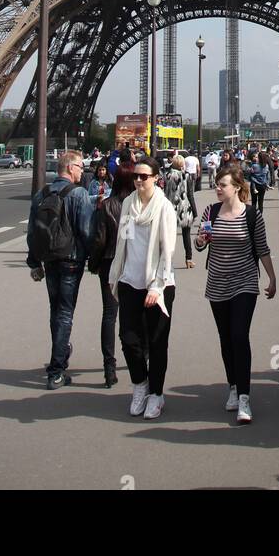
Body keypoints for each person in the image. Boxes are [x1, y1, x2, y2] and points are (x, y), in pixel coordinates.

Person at [195, 164, 276, 424]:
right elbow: (200, 243)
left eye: (223, 185)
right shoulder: (211, 211)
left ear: (237, 188)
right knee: (226, 338)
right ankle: (232, 386)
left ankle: (244, 397)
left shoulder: (252, 215)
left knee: (239, 335)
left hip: (245, 281)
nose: (218, 188)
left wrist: (272, 277)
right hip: (217, 281)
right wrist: (200, 241)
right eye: (217, 185)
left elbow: (262, 248)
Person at [108, 157, 177, 419]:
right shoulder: (128, 204)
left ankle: (156, 394)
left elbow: (167, 252)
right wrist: (117, 272)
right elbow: (123, 242)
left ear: (156, 179)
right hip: (129, 281)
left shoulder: (165, 209)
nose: (138, 180)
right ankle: (140, 385)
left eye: (143, 176)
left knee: (158, 344)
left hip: (157, 285)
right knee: (128, 339)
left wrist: (157, 286)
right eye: (136, 176)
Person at [26, 150, 95, 389]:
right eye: (81, 167)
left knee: (55, 310)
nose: (83, 171)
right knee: (65, 313)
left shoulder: (41, 195)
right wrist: (94, 261)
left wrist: (34, 262)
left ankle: (60, 352)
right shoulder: (79, 194)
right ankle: (56, 370)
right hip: (71, 261)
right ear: (70, 168)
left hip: (49, 260)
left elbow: (32, 233)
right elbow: (87, 232)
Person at [88, 163, 136, 387]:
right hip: (131, 265)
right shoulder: (136, 206)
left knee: (109, 315)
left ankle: (109, 368)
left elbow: (99, 239)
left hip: (108, 264)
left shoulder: (106, 206)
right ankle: (140, 355)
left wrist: (94, 264)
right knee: (134, 314)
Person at [164, 153, 198, 268]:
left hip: (170, 207)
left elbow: (165, 192)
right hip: (184, 207)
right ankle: (188, 259)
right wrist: (194, 211)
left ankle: (167, 259)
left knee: (169, 235)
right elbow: (190, 195)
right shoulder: (186, 176)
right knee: (186, 234)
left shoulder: (167, 175)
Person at [248, 151, 271, 215]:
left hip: (255, 185)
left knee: (254, 202)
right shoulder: (266, 166)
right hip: (263, 185)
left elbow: (249, 176)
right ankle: (260, 215)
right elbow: (267, 176)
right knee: (261, 202)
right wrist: (267, 184)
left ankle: (253, 215)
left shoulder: (254, 166)